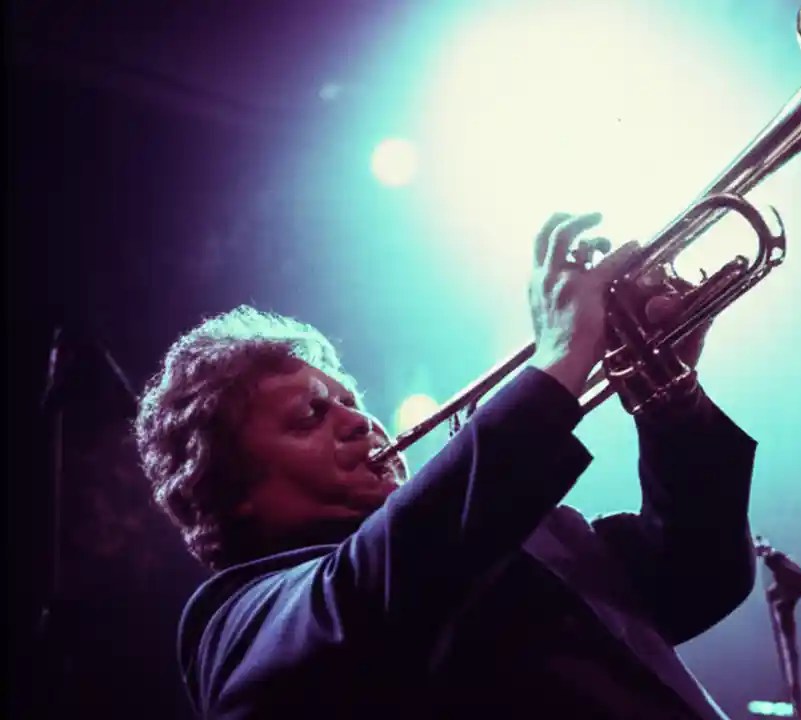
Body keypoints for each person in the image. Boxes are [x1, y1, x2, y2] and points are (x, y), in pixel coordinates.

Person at [134, 211, 760, 718]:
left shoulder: (525, 539)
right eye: (309, 416)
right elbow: (370, 589)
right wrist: (558, 361)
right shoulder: (239, 625)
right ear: (232, 488)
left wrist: (671, 397)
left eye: (351, 401)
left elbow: (701, 581)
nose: (358, 421)